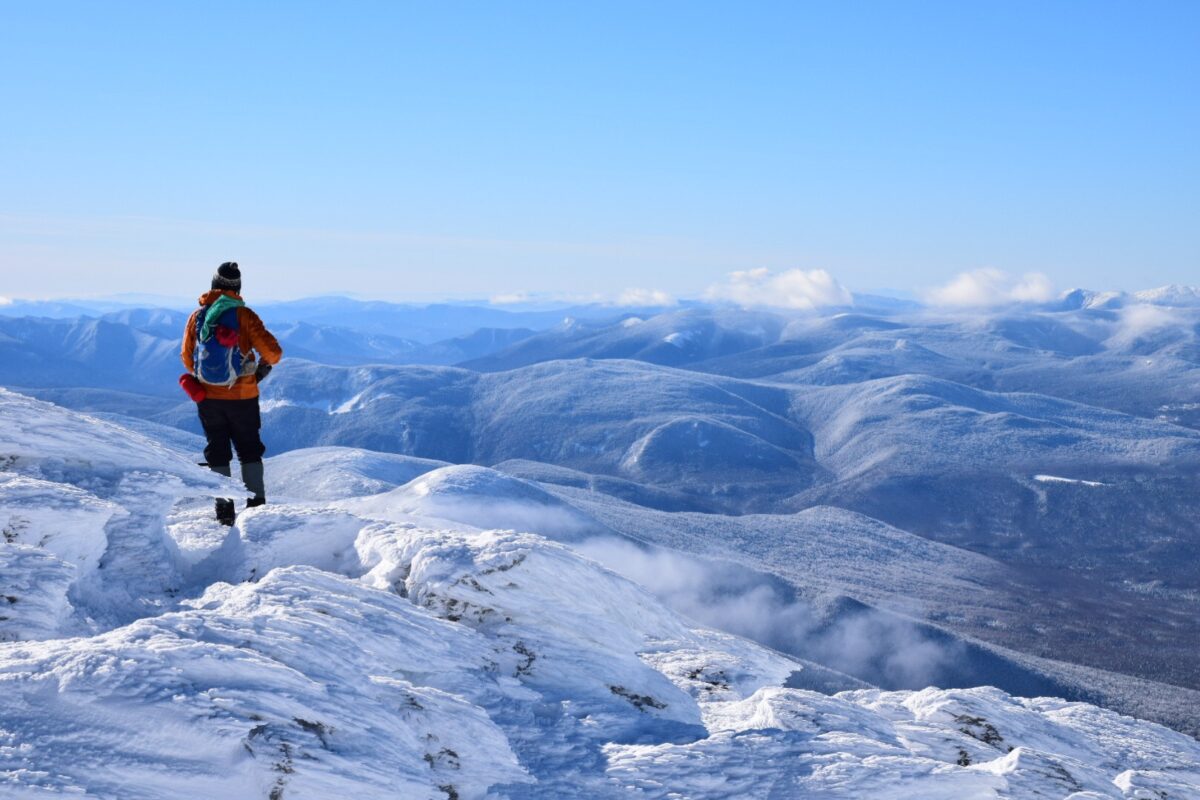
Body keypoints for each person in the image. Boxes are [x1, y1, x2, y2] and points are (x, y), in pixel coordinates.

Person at [180, 262, 283, 524]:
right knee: (249, 450)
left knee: (217, 451)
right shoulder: (244, 316)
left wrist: (208, 378)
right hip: (243, 398)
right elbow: (273, 353)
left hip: (207, 398)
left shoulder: (198, 316)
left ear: (213, 284)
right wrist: (257, 371)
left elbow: (187, 358)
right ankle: (256, 508)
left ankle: (224, 511)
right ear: (238, 287)